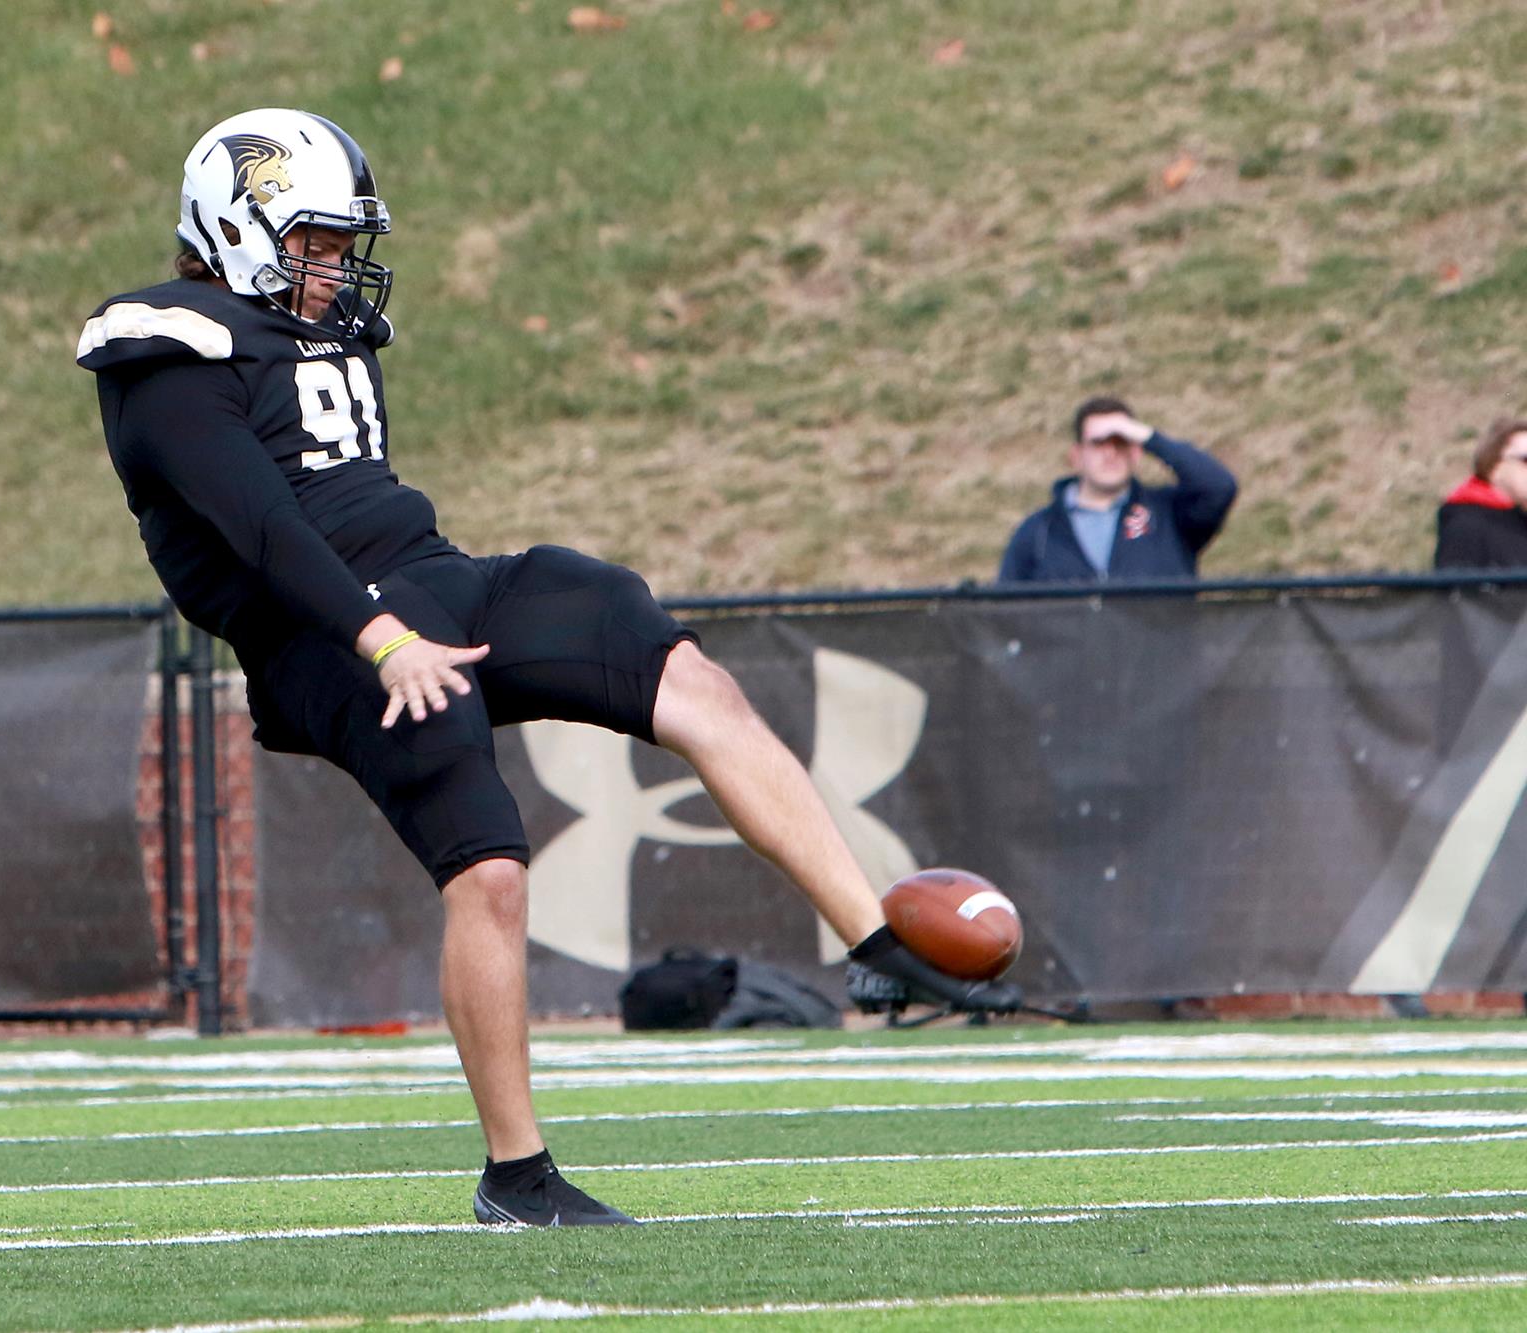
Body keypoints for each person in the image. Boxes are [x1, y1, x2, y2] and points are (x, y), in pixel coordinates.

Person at [77, 108, 1018, 1227]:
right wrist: (381, 641)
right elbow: (268, 532)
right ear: (234, 227)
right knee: (490, 867)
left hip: (432, 581)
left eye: (340, 245)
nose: (334, 268)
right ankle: (516, 1179)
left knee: (669, 660)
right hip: (324, 635)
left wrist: (416, 613)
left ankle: (876, 943)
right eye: (314, 244)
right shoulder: (161, 352)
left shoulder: (308, 329)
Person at [998, 398, 1237, 583]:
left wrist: (1150, 438)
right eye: (1099, 443)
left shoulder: (1170, 515)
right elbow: (1004, 616)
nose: (1110, 453)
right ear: (1076, 456)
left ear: (1135, 452)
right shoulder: (1037, 533)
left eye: (1121, 441)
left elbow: (1218, 487)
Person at [1436, 416, 1527, 569]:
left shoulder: (1519, 522)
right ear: (1494, 466)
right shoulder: (1466, 527)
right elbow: (1457, 591)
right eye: (1526, 460)